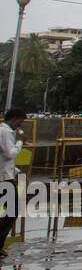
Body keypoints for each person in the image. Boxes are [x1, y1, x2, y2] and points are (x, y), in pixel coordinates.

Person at [0, 108, 26, 258]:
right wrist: (20, 143)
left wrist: (16, 171)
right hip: (4, 179)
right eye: (20, 122)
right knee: (12, 211)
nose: (19, 126)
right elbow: (11, 154)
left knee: (8, 211)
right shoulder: (6, 133)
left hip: (5, 175)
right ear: (15, 119)